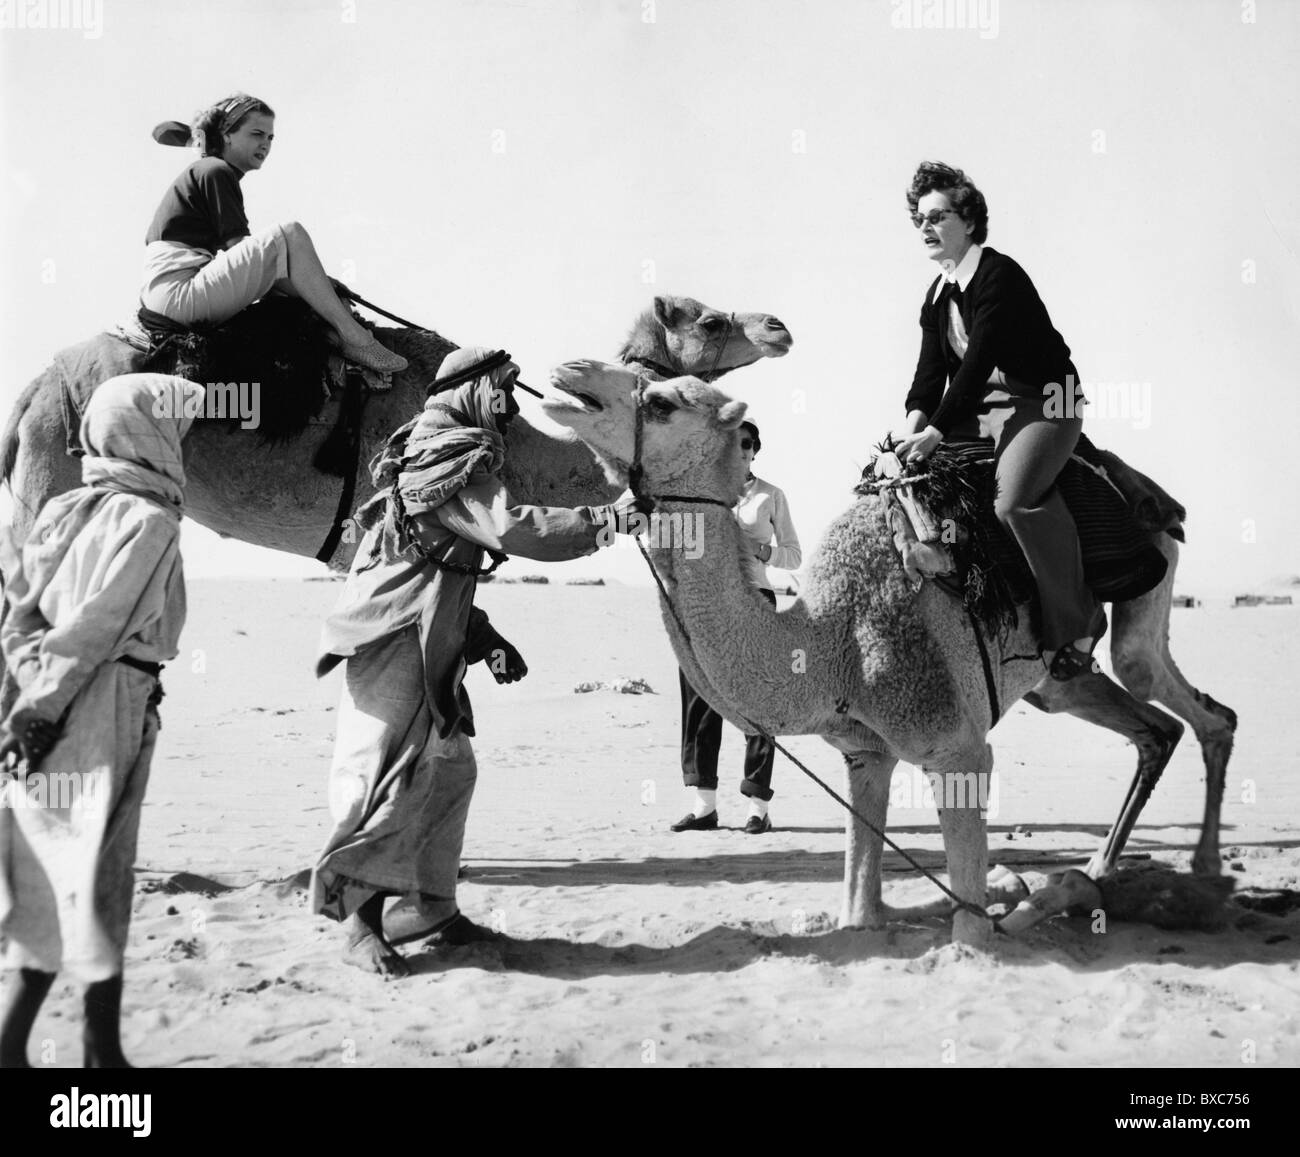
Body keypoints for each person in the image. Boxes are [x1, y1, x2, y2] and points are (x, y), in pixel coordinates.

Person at [311, 347, 646, 977]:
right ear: (469, 390)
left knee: (451, 771)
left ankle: (430, 909)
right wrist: (610, 521)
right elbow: (512, 529)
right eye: (504, 389)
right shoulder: (450, 459)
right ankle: (356, 922)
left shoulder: (441, 452)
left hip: (431, 636)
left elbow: (440, 565)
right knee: (386, 774)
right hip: (395, 639)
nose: (511, 405)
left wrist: (482, 637)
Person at [0, 373, 203, 1068]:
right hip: (102, 698)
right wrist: (46, 705)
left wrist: (28, 694)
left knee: (54, 867)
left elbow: (20, 613)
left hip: (53, 694)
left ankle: (54, 1043)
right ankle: (96, 1050)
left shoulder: (66, 509)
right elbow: (100, 623)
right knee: (99, 868)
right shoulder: (151, 522)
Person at [894, 161, 1105, 679]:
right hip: (986, 406)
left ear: (968, 221)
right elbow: (929, 373)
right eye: (919, 219)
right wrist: (912, 428)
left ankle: (1078, 625)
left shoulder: (999, 275)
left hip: (1047, 400)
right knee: (908, 485)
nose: (925, 227)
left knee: (1012, 502)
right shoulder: (937, 294)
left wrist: (937, 431)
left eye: (937, 216)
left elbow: (976, 362)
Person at [141, 92, 407, 375]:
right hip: (179, 294)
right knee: (288, 234)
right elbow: (242, 249)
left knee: (290, 275)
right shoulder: (216, 170)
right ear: (226, 135)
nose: (265, 144)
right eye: (256, 134)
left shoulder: (209, 171)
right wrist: (319, 287)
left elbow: (261, 267)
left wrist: (317, 284)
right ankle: (356, 339)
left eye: (270, 138)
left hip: (169, 295)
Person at [670, 419, 802, 835]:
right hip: (707, 604)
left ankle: (758, 807)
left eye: (748, 446)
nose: (742, 453)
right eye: (734, 446)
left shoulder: (771, 496)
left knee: (758, 701)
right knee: (699, 699)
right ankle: (703, 805)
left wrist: (760, 549)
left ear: (754, 451)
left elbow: (794, 555)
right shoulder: (700, 495)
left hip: (755, 601)